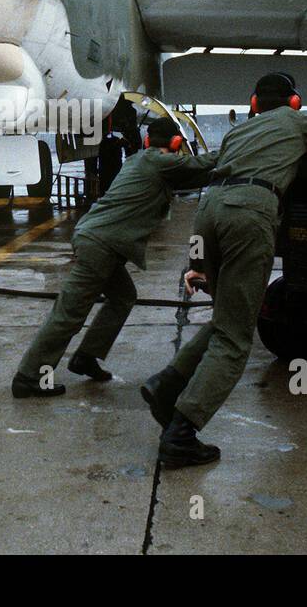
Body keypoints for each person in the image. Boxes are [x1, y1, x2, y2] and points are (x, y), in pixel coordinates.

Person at [140, 73, 307, 466]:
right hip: (250, 212)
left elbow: (208, 168)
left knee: (230, 316)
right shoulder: (295, 121)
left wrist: (198, 263)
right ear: (294, 102)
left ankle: (167, 384)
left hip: (210, 211)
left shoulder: (237, 132)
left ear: (253, 103)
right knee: (235, 341)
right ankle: (181, 432)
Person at [13, 117, 218, 398]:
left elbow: (199, 176)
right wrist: (239, 146)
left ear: (148, 140)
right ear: (175, 143)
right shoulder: (159, 161)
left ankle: (86, 356)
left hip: (99, 242)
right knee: (70, 312)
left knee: (123, 297)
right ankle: (28, 376)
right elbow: (201, 165)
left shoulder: (143, 161)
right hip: (100, 245)